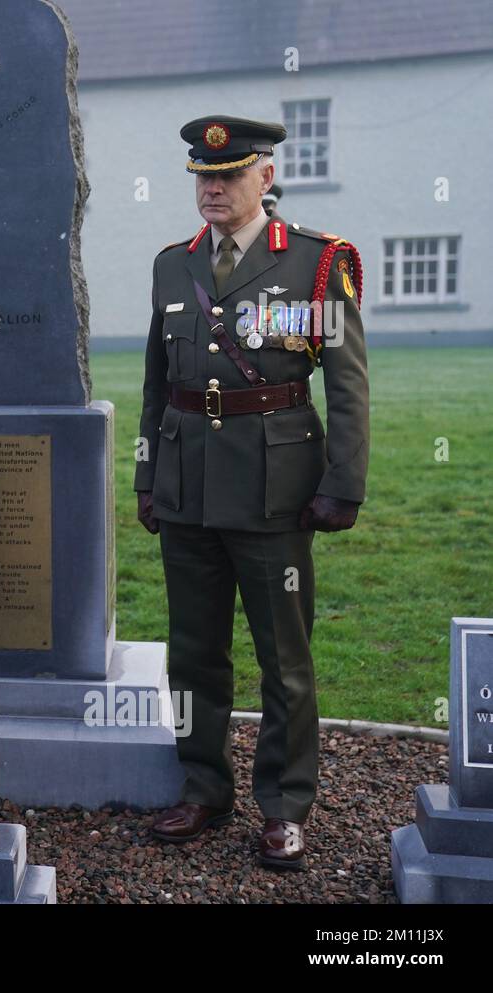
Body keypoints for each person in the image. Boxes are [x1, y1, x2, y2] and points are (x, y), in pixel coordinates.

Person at [135, 116, 369, 870]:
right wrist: (147, 474)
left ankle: (285, 804)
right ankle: (203, 786)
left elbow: (346, 382)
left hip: (277, 488)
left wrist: (344, 483)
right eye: (203, 176)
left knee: (284, 655)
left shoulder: (313, 261)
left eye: (228, 175)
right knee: (193, 654)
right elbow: (155, 386)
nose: (212, 188)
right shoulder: (174, 266)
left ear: (263, 177)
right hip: (187, 487)